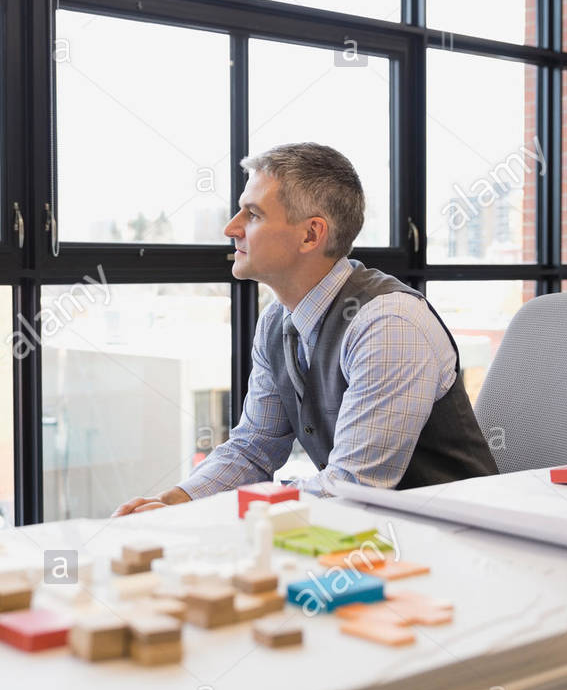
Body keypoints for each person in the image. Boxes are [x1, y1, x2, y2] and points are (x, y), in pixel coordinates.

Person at [113, 142, 496, 516]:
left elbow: (350, 489)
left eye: (253, 214)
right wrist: (176, 504)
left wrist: (220, 516)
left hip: (456, 546)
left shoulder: (388, 325)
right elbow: (254, 447)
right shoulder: (277, 321)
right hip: (369, 541)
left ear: (311, 235)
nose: (232, 228)